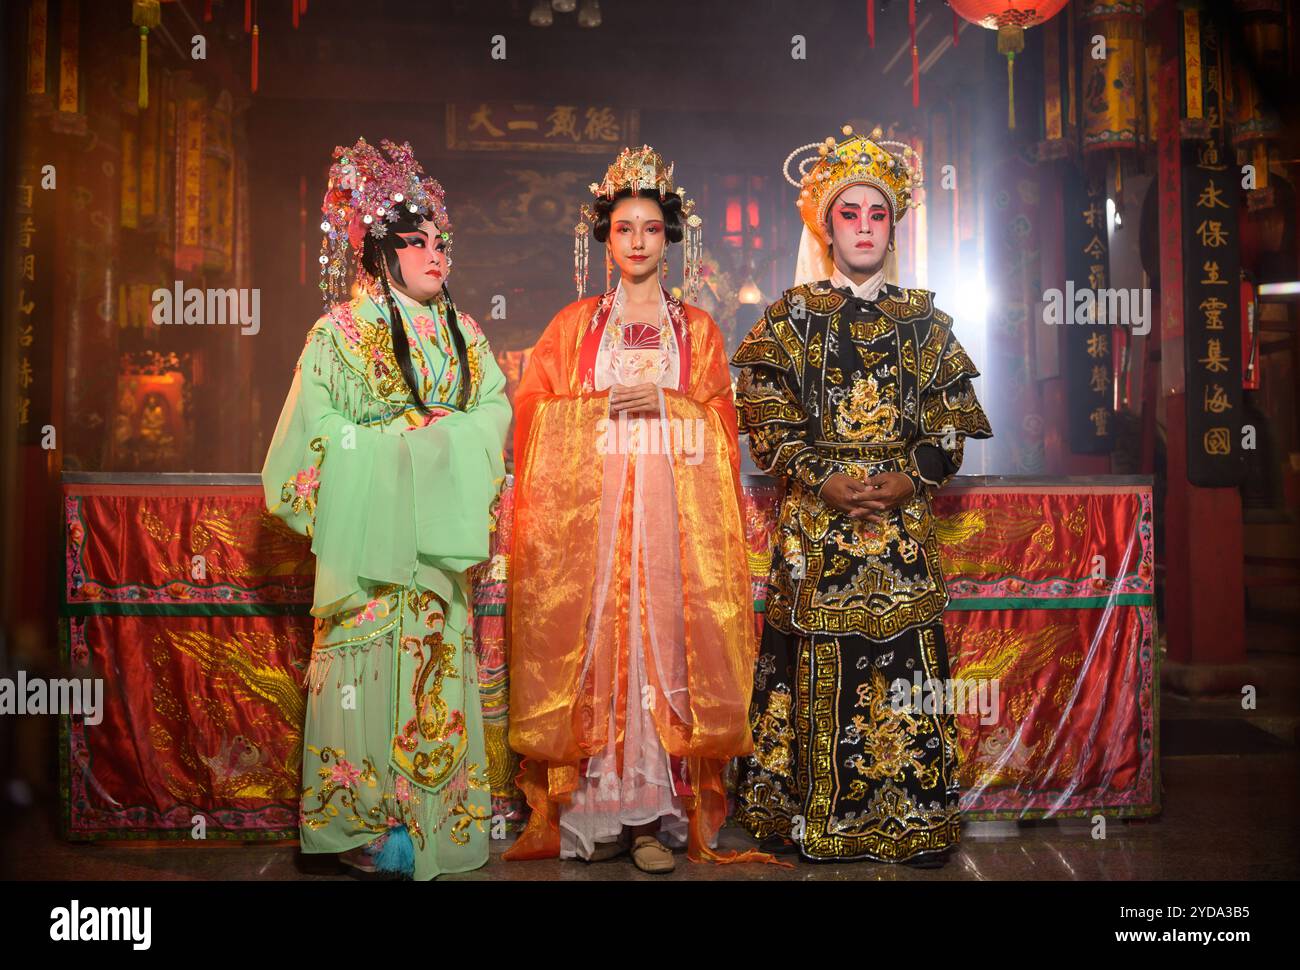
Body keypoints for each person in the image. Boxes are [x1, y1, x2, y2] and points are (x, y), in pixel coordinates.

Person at [504, 146, 772, 873]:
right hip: (593, 523)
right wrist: (594, 408)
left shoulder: (701, 331)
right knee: (597, 650)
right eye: (624, 228)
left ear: (670, 238)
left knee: (662, 651)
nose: (637, 242)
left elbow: (722, 420)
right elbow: (531, 411)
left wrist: (666, 402)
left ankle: (655, 816)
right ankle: (597, 815)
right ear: (606, 237)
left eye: (651, 229)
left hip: (669, 522)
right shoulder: (572, 327)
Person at [731, 124, 993, 866]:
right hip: (818, 525)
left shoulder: (925, 323)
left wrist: (912, 476)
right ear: (826, 226)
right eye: (850, 214)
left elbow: (950, 421)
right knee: (816, 659)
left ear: (894, 225)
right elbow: (764, 412)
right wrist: (822, 476)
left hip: (901, 524)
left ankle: (914, 820)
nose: (865, 228)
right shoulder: (792, 317)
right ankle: (817, 817)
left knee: (907, 664)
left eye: (877, 214)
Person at [261, 137, 510, 879]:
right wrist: (393, 445)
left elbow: (495, 412)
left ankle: (438, 826)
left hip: (435, 550)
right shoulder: (337, 333)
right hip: (369, 550)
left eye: (443, 241)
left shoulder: (467, 336)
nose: (437, 254)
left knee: (435, 680)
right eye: (417, 242)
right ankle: (360, 827)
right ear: (378, 253)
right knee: (361, 678)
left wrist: (450, 438)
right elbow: (309, 436)